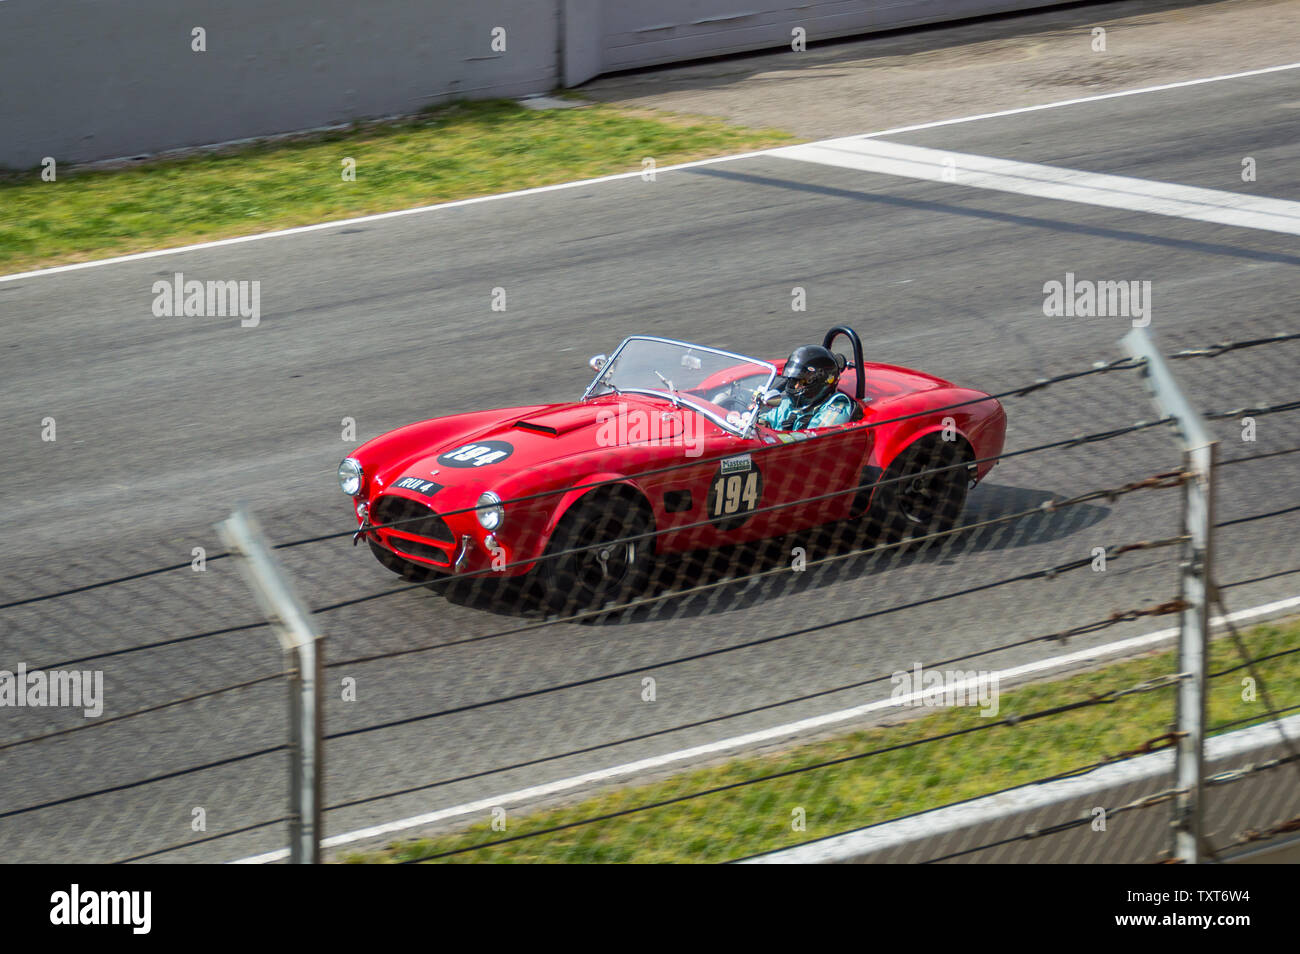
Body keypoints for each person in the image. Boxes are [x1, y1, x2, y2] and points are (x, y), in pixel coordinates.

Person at [760, 344, 855, 431]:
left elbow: (820, 437)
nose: (796, 386)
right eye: (794, 380)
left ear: (822, 381)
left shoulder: (836, 408)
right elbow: (765, 420)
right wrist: (760, 423)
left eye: (804, 381)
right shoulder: (787, 405)